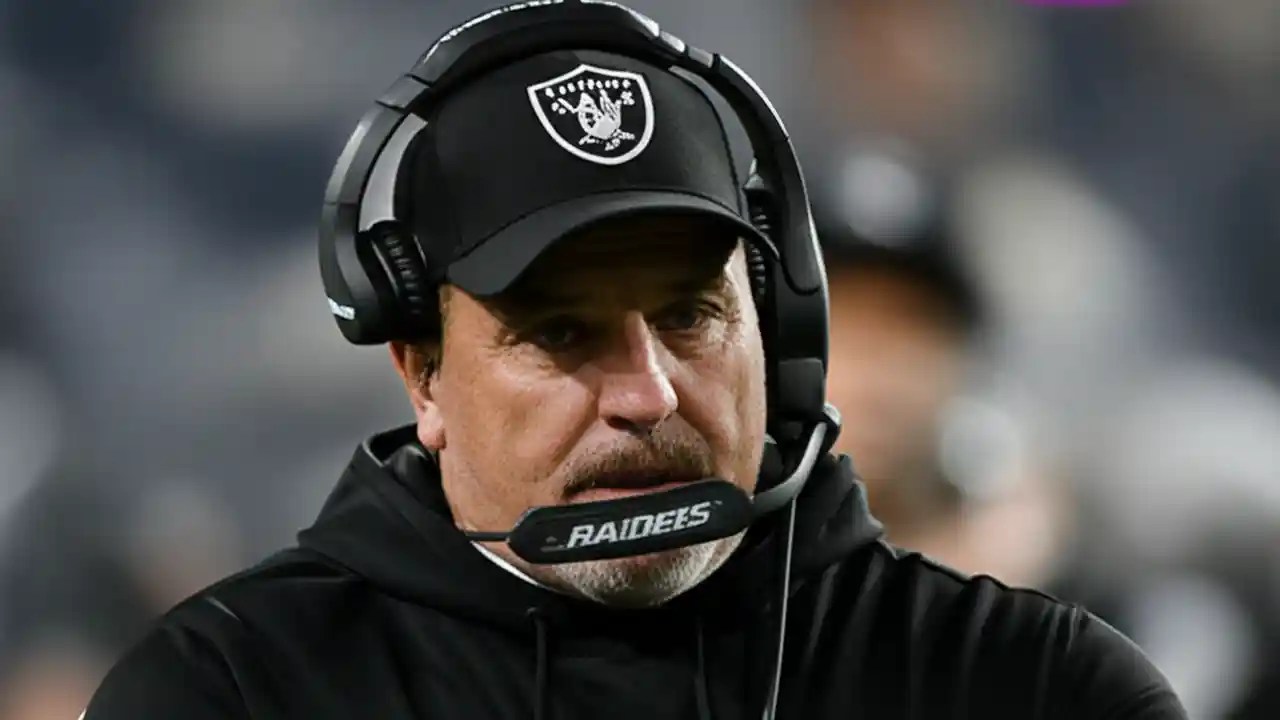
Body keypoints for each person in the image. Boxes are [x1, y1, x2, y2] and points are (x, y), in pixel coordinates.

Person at [83, 2, 1186, 718]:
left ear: (779, 328)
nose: (648, 392)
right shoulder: (226, 696)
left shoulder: (1037, 689)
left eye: (690, 316)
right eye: (559, 333)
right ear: (420, 372)